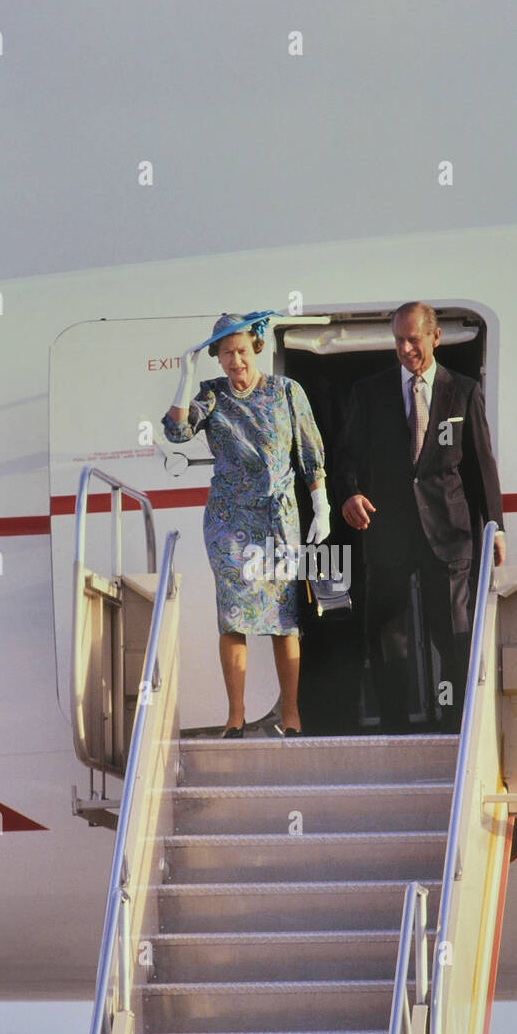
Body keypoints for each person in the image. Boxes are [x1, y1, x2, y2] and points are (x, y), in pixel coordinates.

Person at [337, 301, 506, 733]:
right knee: (388, 634)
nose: (406, 348)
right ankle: (394, 724)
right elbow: (346, 457)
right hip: (388, 529)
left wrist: (496, 526)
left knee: (450, 632)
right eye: (399, 340)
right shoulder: (369, 392)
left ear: (435, 337)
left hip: (449, 530)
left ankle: (455, 721)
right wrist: (350, 493)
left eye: (414, 339)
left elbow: (481, 466)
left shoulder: (463, 391)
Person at [163, 311, 329, 738]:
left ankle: (290, 714)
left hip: (278, 519)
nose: (235, 360)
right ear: (216, 358)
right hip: (228, 520)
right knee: (233, 617)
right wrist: (185, 377)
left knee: (283, 617)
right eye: (225, 353)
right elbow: (177, 433)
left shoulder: (285, 391)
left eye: (240, 350)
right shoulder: (212, 395)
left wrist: (321, 502)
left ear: (255, 347)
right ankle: (235, 717)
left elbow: (309, 450)